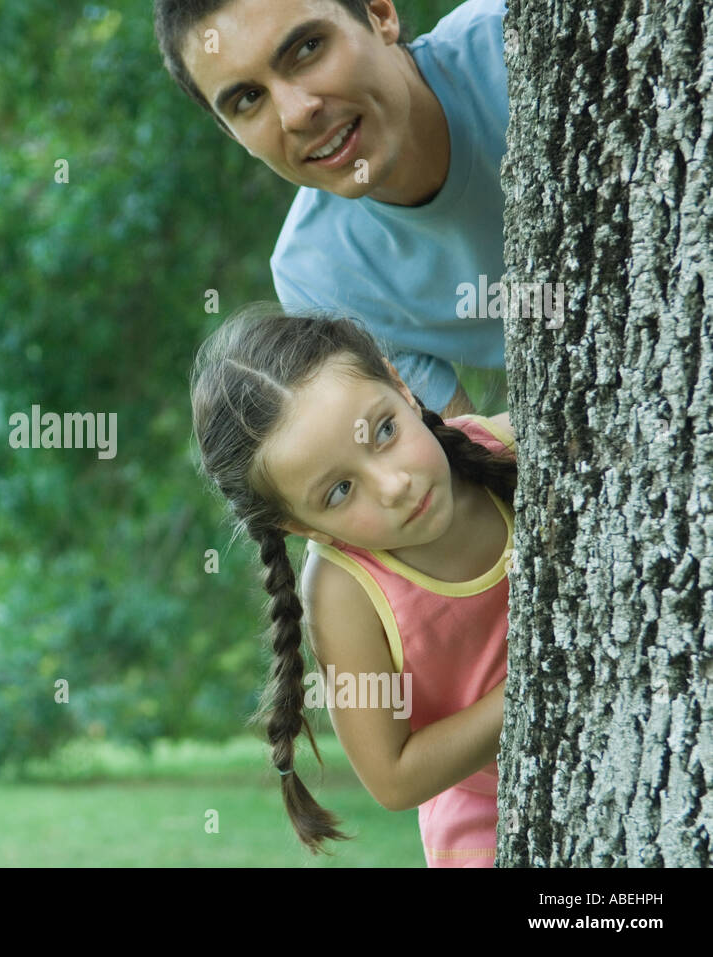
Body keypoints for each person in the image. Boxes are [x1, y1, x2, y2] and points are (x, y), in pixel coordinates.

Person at [190, 301, 517, 866]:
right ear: (298, 524)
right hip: (493, 822)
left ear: (401, 385)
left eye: (385, 431)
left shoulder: (510, 447)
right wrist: (538, 691)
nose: (392, 486)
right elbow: (394, 777)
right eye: (339, 491)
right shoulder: (345, 594)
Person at [156, 0, 511, 420]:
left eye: (307, 49)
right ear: (235, 136)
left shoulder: (509, 46)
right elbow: (469, 462)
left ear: (379, 14)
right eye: (249, 99)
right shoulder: (318, 276)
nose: (296, 113)